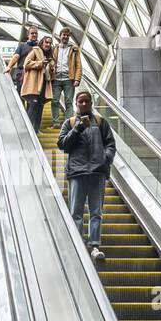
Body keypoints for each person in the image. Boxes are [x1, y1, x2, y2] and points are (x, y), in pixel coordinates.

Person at [57, 90, 115, 262]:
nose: (83, 104)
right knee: (76, 211)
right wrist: (78, 128)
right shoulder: (70, 122)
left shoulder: (101, 122)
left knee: (96, 211)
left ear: (91, 103)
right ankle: (78, 244)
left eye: (86, 102)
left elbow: (110, 144)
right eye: (80, 101)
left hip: (97, 172)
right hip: (77, 172)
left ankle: (95, 245)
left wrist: (105, 159)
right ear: (76, 103)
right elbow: (63, 145)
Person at [50, 27, 83, 125]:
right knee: (55, 101)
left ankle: (68, 123)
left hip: (69, 79)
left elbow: (79, 65)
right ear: (60, 36)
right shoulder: (54, 48)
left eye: (67, 35)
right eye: (64, 35)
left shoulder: (74, 49)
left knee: (69, 102)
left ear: (69, 37)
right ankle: (55, 122)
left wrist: (77, 79)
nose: (65, 37)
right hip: (55, 79)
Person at [20, 36, 53, 131]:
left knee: (40, 106)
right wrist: (40, 63)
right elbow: (26, 64)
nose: (48, 45)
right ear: (42, 43)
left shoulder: (49, 56)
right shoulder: (35, 50)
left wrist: (51, 68)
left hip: (43, 83)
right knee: (34, 104)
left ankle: (36, 130)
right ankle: (29, 130)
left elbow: (48, 72)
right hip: (34, 83)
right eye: (46, 42)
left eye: (50, 43)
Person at [5, 25, 39, 91]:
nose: (34, 34)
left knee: (33, 96)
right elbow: (16, 56)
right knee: (21, 93)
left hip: (34, 74)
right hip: (21, 73)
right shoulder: (22, 46)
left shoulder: (39, 47)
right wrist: (9, 66)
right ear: (28, 35)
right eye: (32, 33)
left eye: (36, 33)